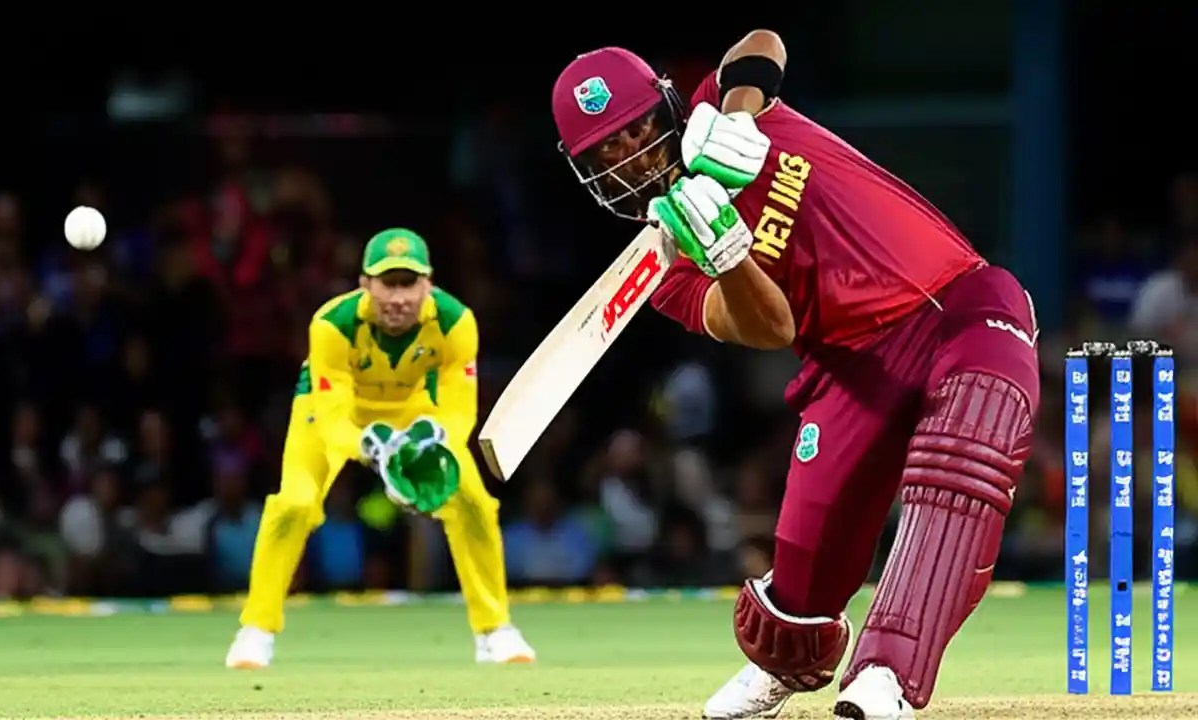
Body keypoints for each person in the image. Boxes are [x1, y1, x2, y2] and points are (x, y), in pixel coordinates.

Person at [550, 30, 1039, 720]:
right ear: (590, 170)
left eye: (634, 128)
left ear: (666, 106)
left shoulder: (720, 106)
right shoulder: (664, 270)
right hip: (850, 370)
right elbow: (771, 328)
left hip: (954, 303)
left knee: (961, 461)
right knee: (802, 585)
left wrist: (738, 121)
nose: (629, 151)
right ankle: (783, 665)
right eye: (607, 148)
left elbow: (762, 44)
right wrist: (725, 251)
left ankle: (887, 674)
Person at [225, 228, 536, 668]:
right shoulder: (332, 324)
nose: (398, 298)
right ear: (364, 285)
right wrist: (369, 446)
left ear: (428, 285)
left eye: (408, 284)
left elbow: (459, 407)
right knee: (294, 504)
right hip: (335, 412)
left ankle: (495, 629)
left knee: (474, 504)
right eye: (387, 283)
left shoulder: (456, 322)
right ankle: (256, 630)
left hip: (415, 412)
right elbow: (332, 416)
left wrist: (434, 438)